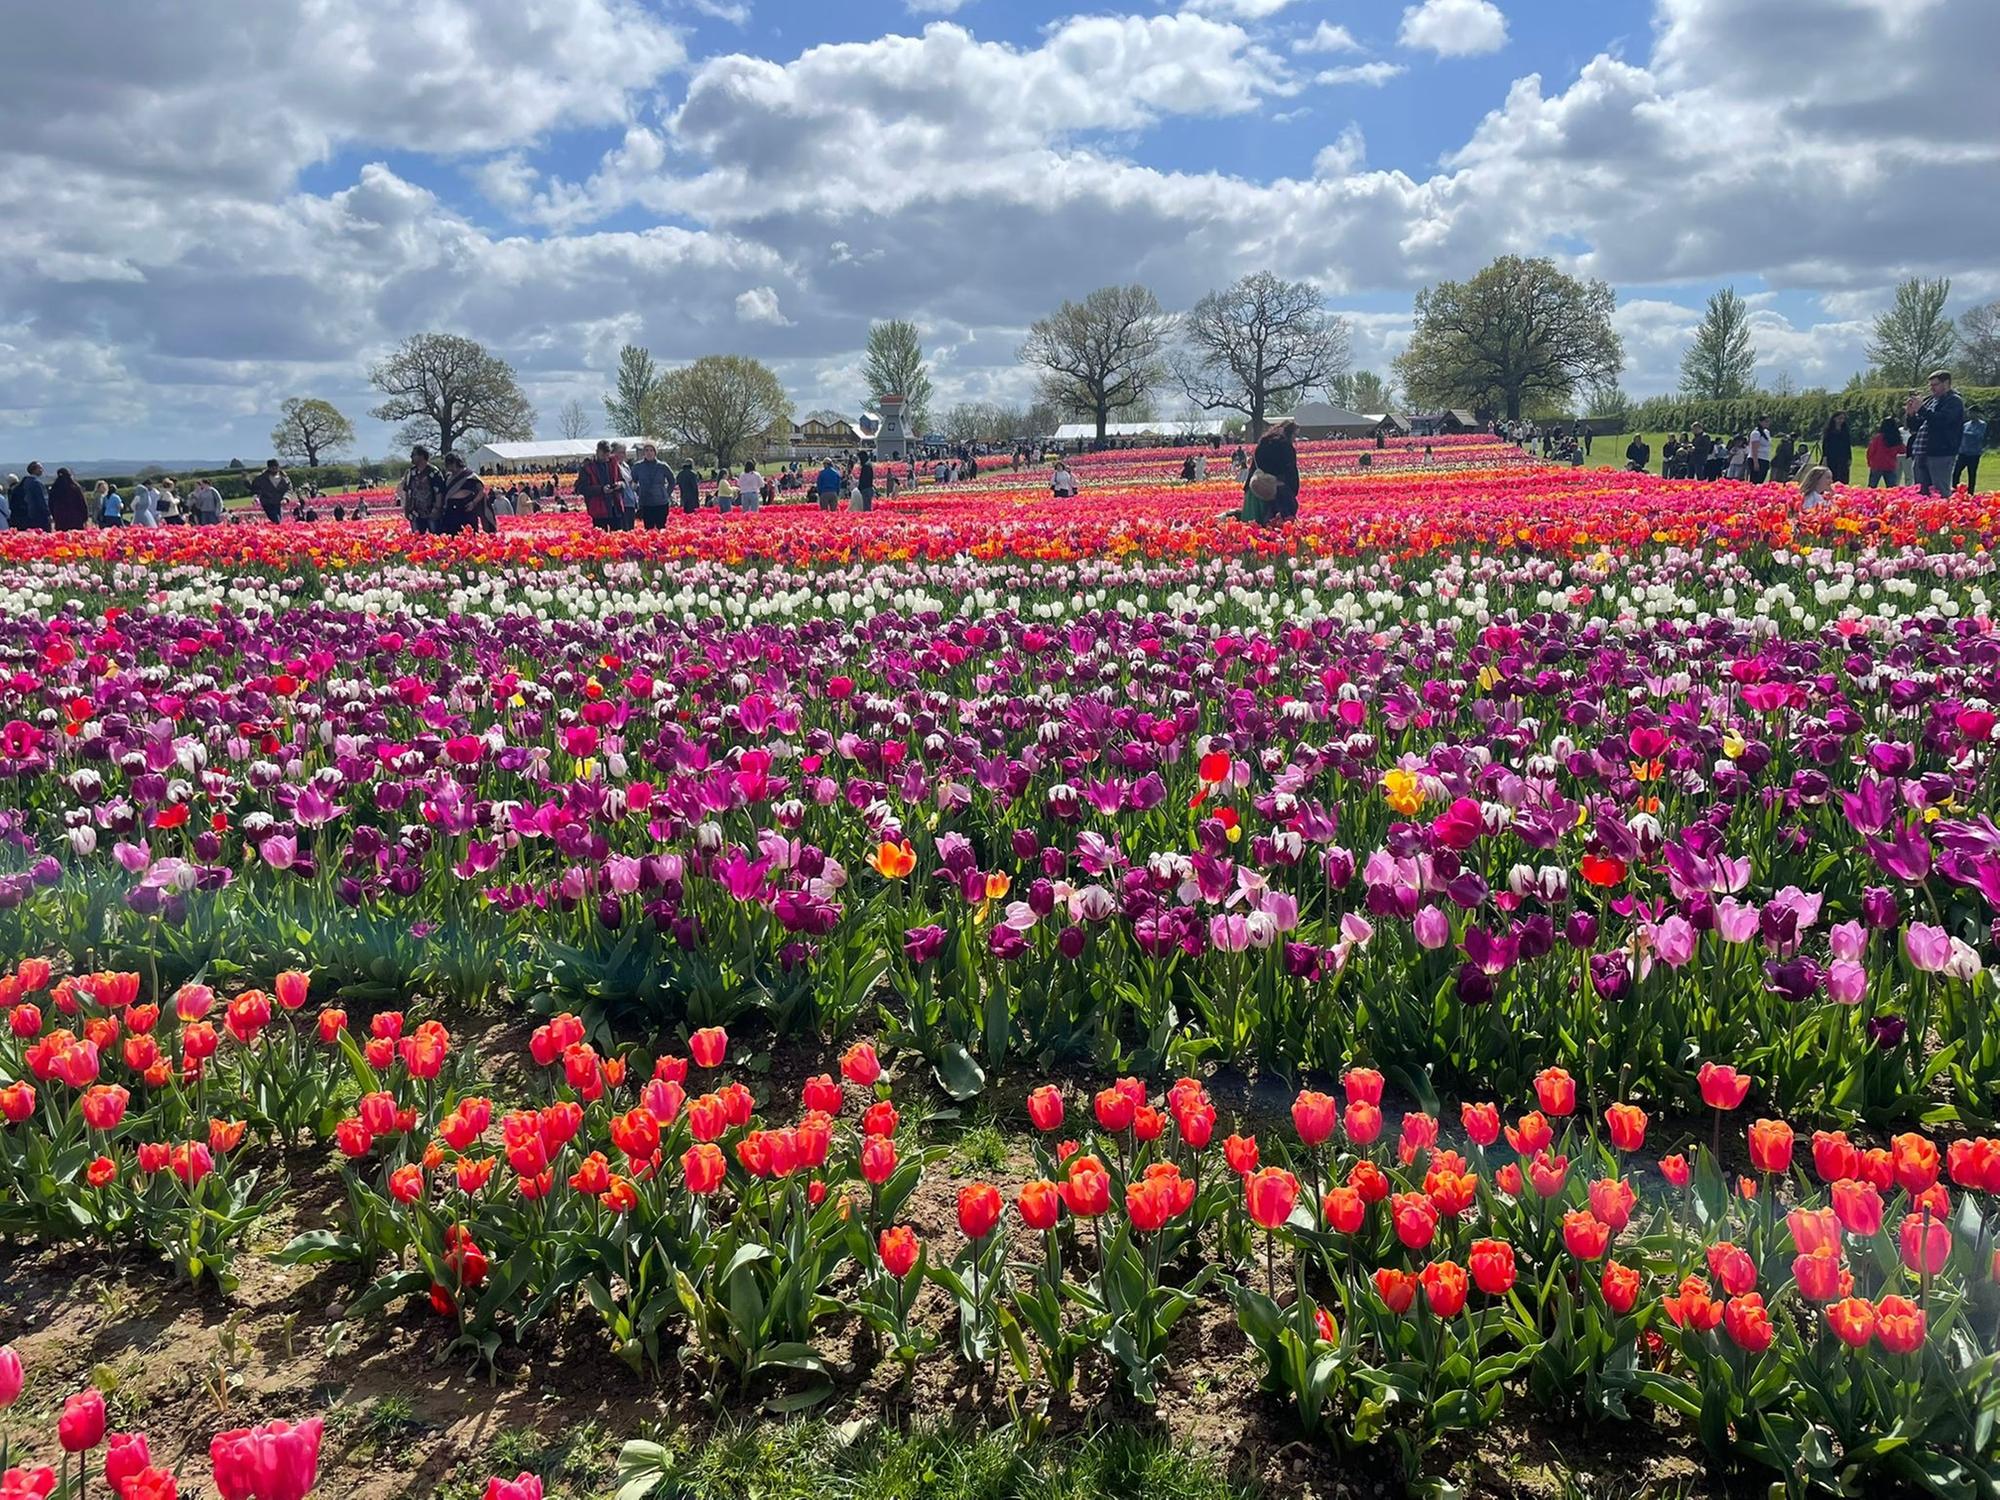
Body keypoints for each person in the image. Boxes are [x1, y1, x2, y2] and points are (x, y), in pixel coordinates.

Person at [1907, 370, 1966, 497]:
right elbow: (1916, 426)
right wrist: (1911, 414)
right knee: (1920, 492)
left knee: (1940, 490)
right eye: (1930, 385)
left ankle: (1944, 516)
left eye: (1935, 385)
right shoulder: (1930, 400)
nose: (1932, 388)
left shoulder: (1954, 401)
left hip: (1941, 453)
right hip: (1921, 452)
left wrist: (1921, 409)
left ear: (1946, 383)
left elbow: (1942, 420)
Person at [1252, 418, 1303, 523]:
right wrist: (1293, 488)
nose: (1295, 439)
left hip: (1260, 486)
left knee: (1265, 515)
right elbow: (1291, 470)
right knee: (1283, 514)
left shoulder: (1264, 442)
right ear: (1289, 433)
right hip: (1280, 486)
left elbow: (1256, 461)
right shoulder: (1286, 446)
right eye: (1295, 435)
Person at [574, 441, 629, 530]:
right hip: (598, 509)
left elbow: (623, 482)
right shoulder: (587, 467)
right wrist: (601, 489)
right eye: (603, 454)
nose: (606, 457)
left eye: (608, 454)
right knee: (600, 537)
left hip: (615, 507)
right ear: (597, 452)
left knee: (618, 537)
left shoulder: (613, 464)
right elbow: (582, 488)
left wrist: (620, 485)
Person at [399, 446, 446, 532]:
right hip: (415, 513)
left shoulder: (433, 472)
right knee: (417, 540)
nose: (411, 457)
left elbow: (439, 492)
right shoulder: (411, 472)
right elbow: (407, 491)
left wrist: (437, 509)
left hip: (431, 512)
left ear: (422, 456)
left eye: (413, 455)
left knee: (434, 538)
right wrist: (406, 508)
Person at [437, 453, 486, 535]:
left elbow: (481, 491)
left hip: (466, 509)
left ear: (456, 463)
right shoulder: (448, 477)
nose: (449, 467)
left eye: (451, 464)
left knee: (468, 535)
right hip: (451, 511)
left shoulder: (469, 475)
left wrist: (473, 503)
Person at [631, 443, 672, 530]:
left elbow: (672, 481)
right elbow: (632, 482)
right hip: (646, 503)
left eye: (651, 450)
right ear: (643, 453)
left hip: (661, 502)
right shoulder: (638, 466)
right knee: (649, 529)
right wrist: (639, 491)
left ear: (655, 452)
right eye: (646, 450)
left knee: (661, 528)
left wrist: (666, 493)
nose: (649, 453)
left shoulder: (662, 466)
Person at [1866, 416, 1904, 487]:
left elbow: (1871, 450)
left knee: (1872, 487)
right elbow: (1902, 450)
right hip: (1890, 465)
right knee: (1892, 488)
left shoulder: (1878, 438)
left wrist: (1869, 460)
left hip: (1877, 464)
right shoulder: (1896, 438)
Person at [1957, 408, 1987, 494]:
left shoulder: (1982, 424)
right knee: (1956, 472)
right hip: (1963, 452)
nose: (1970, 415)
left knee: (1972, 474)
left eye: (1973, 413)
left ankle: (1971, 492)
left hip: (1974, 453)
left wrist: (1965, 433)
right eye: (1970, 413)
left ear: (1977, 414)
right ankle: (1956, 490)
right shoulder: (1966, 425)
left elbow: (1978, 435)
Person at [12, 463, 50, 530]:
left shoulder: (24, 482)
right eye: (40, 468)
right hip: (39, 516)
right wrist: (48, 513)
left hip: (27, 515)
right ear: (34, 470)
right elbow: (42, 500)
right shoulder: (37, 483)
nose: (42, 470)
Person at [1820, 411, 1853, 486]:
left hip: (1843, 457)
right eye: (1839, 418)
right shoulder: (1828, 430)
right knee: (1832, 475)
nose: (1841, 420)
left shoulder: (1845, 430)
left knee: (1843, 476)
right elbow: (1825, 445)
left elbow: (1848, 445)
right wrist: (1825, 458)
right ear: (1834, 419)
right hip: (1831, 456)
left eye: (1843, 419)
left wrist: (1849, 457)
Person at [1747, 418, 1773, 483]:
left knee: (1761, 480)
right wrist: (1756, 463)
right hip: (1757, 458)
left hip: (1765, 459)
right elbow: (1754, 449)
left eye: (1768, 422)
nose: (1768, 423)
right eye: (1766, 421)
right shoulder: (1756, 433)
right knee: (1755, 480)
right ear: (1760, 422)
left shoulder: (1767, 432)